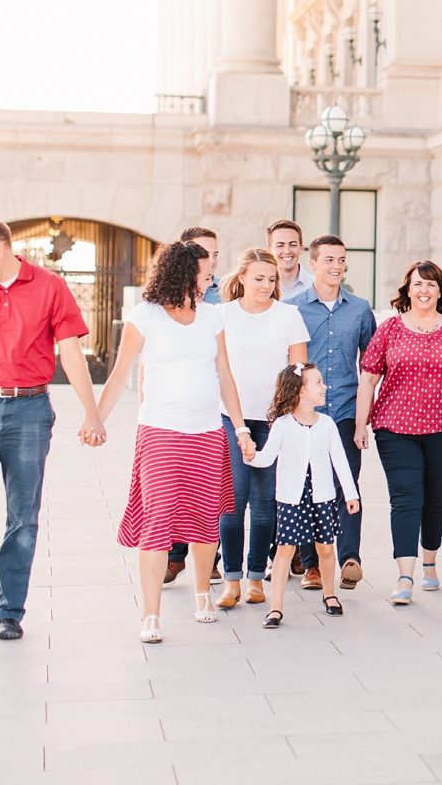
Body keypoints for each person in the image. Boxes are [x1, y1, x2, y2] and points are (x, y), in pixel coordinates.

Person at [0, 217, 105, 647]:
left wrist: (92, 413)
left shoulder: (49, 288)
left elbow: (71, 354)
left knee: (22, 517)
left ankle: (10, 613)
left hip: (29, 411)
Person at [96, 240, 249, 643]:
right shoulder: (145, 316)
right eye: (204, 272)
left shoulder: (212, 316)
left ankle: (203, 594)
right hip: (160, 431)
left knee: (204, 520)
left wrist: (240, 427)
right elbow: (119, 372)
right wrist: (96, 418)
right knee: (158, 519)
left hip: (206, 432)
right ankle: (151, 615)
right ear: (183, 273)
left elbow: (225, 375)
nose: (210, 277)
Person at [356, 260, 442, 606]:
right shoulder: (390, 328)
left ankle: (430, 562)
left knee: (436, 498)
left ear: (441, 291)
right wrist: (360, 423)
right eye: (417, 284)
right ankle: (404, 574)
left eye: (431, 284)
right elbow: (368, 377)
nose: (424, 290)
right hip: (395, 428)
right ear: (407, 290)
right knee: (405, 499)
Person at [214, 248, 309, 609]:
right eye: (258, 278)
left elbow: (298, 372)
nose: (266, 285)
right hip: (229, 418)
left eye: (271, 279)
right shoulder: (221, 316)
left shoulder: (288, 316)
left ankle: (256, 579)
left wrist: (288, 421)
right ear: (241, 279)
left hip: (273, 421)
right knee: (233, 503)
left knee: (266, 503)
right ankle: (231, 581)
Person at [288, 235, 377, 591]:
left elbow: (370, 367)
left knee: (346, 483)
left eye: (341, 259)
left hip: (343, 412)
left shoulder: (359, 309)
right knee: (308, 486)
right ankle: (311, 565)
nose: (336, 266)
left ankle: (350, 558)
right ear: (313, 265)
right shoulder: (293, 308)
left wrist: (362, 421)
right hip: (304, 414)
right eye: (328, 260)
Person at [243, 363, 361, 627]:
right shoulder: (283, 425)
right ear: (300, 391)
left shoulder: (327, 424)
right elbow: (267, 458)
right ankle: (275, 608)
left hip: (322, 496)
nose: (325, 387)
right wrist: (251, 456)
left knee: (326, 548)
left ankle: (330, 595)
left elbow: (340, 461)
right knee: (285, 550)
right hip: (291, 498)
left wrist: (351, 494)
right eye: (318, 382)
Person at [166, 224, 224, 583]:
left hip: (214, 404)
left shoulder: (223, 296)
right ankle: (174, 556)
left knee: (209, 490)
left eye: (216, 254)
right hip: (175, 407)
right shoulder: (165, 298)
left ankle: (210, 558)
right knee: (175, 486)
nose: (211, 261)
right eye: (205, 253)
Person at [267, 219, 315, 302]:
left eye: (292, 245)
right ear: (269, 251)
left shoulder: (316, 287)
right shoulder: (260, 287)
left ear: (301, 248)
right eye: (280, 245)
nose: (287, 251)